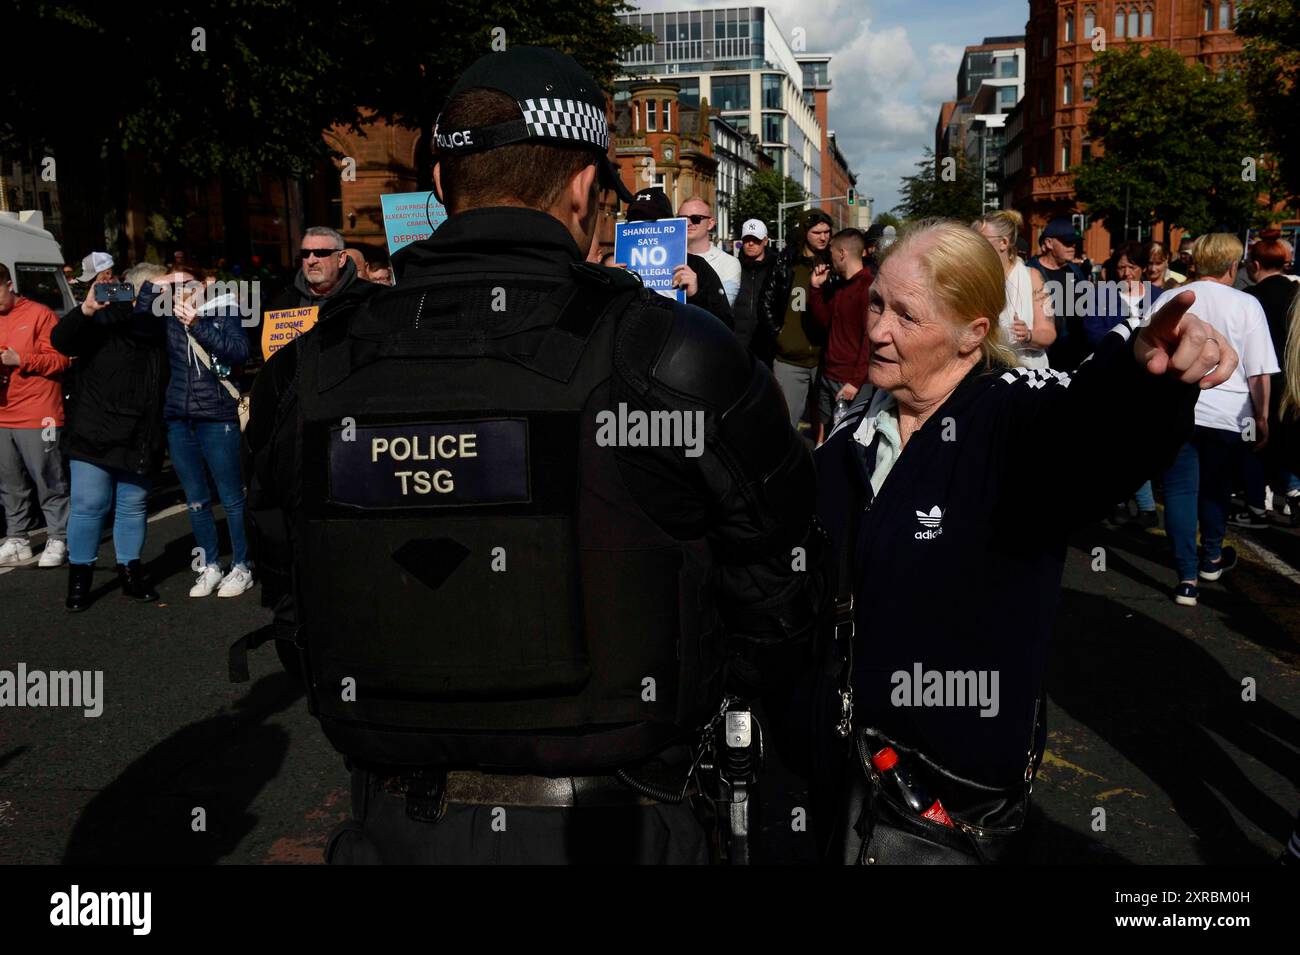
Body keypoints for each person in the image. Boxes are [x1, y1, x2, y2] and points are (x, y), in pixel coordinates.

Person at [241, 45, 822, 865]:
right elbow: (786, 590)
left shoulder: (307, 370)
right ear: (588, 187)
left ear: (440, 184)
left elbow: (290, 596)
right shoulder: (673, 355)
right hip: (622, 827)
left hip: (398, 825)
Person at [815, 219, 1237, 864]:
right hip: (844, 761)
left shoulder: (1009, 417)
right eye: (876, 302)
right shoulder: (852, 435)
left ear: (972, 334)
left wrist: (1147, 377)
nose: (877, 329)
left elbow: (1084, 434)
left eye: (906, 314)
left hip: (950, 788)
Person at [1150, 234, 1279, 606]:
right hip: (1229, 413)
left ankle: (1186, 578)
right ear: (1232, 266)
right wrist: (1263, 416)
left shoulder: (1172, 297)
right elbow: (1258, 372)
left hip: (1179, 406)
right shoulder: (1246, 303)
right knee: (1216, 488)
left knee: (1178, 490)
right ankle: (1211, 557)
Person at [51, 263, 170, 611]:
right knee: (89, 505)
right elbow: (61, 341)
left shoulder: (166, 323)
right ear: (135, 291)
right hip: (95, 426)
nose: (165, 295)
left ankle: (130, 570)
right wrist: (85, 310)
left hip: (142, 430)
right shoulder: (104, 315)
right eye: (158, 289)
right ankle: (80, 576)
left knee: (132, 505)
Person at [161, 268, 255, 598]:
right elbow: (137, 302)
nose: (181, 291)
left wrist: (197, 325)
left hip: (217, 416)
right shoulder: (166, 317)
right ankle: (210, 565)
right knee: (197, 500)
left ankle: (243, 565)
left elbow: (240, 351)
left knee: (231, 496)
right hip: (179, 417)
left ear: (204, 286)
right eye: (174, 286)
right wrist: (156, 286)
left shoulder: (226, 309)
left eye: (187, 284)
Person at [0, 263, 72, 567]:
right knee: (9, 482)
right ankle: (17, 537)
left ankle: (60, 536)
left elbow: (62, 360)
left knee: (48, 476)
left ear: (9, 284)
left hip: (39, 412)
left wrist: (21, 360)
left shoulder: (39, 314)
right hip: (3, 413)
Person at [1240, 231, 1300, 526]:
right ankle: (1290, 494)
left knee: (1257, 443)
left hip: (1260, 378)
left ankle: (1256, 505)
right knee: (1288, 440)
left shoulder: (1250, 298)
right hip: (1292, 381)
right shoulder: (1294, 295)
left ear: (1254, 264)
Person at [761, 209, 834, 430]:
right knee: (786, 424)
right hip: (790, 359)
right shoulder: (785, 262)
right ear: (804, 232)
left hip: (825, 357)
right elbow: (766, 302)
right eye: (816, 232)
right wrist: (780, 335)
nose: (823, 237)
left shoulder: (834, 262)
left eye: (827, 232)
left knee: (827, 424)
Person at [621, 187, 733, 328]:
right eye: (635, 222)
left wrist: (695, 295)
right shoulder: (616, 266)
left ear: (670, 225)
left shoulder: (695, 266)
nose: (643, 229)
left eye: (652, 222)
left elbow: (725, 325)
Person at [258, 227, 371, 349]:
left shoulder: (369, 298)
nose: (311, 261)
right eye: (305, 254)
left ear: (341, 259)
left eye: (321, 253)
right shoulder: (283, 303)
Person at [808, 228, 873, 434]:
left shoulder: (868, 288)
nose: (830, 258)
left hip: (850, 382)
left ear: (842, 253)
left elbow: (869, 339)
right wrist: (816, 289)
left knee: (848, 437)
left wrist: (855, 382)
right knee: (828, 433)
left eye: (832, 252)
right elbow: (824, 320)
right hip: (829, 374)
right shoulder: (841, 287)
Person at [973, 210, 1055, 369]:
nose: (974, 246)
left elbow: (1048, 332)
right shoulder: (974, 278)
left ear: (1004, 242)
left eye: (981, 240)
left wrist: (1028, 335)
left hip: (1026, 371)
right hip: (985, 371)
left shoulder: (1032, 277)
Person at [1028, 217, 1089, 369]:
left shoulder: (1075, 271)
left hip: (1075, 353)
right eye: (1067, 242)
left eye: (1074, 242)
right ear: (1048, 243)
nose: (1073, 246)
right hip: (1045, 355)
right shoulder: (1030, 272)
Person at [679, 197, 740, 308]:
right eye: (682, 218)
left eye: (695, 218)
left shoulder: (728, 263)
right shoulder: (670, 258)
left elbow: (724, 307)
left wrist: (695, 293)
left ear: (710, 223)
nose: (688, 223)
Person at [733, 218, 776, 364]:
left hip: (767, 345)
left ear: (765, 240)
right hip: (737, 343)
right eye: (747, 239)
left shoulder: (776, 268)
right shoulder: (733, 266)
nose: (750, 244)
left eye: (755, 239)